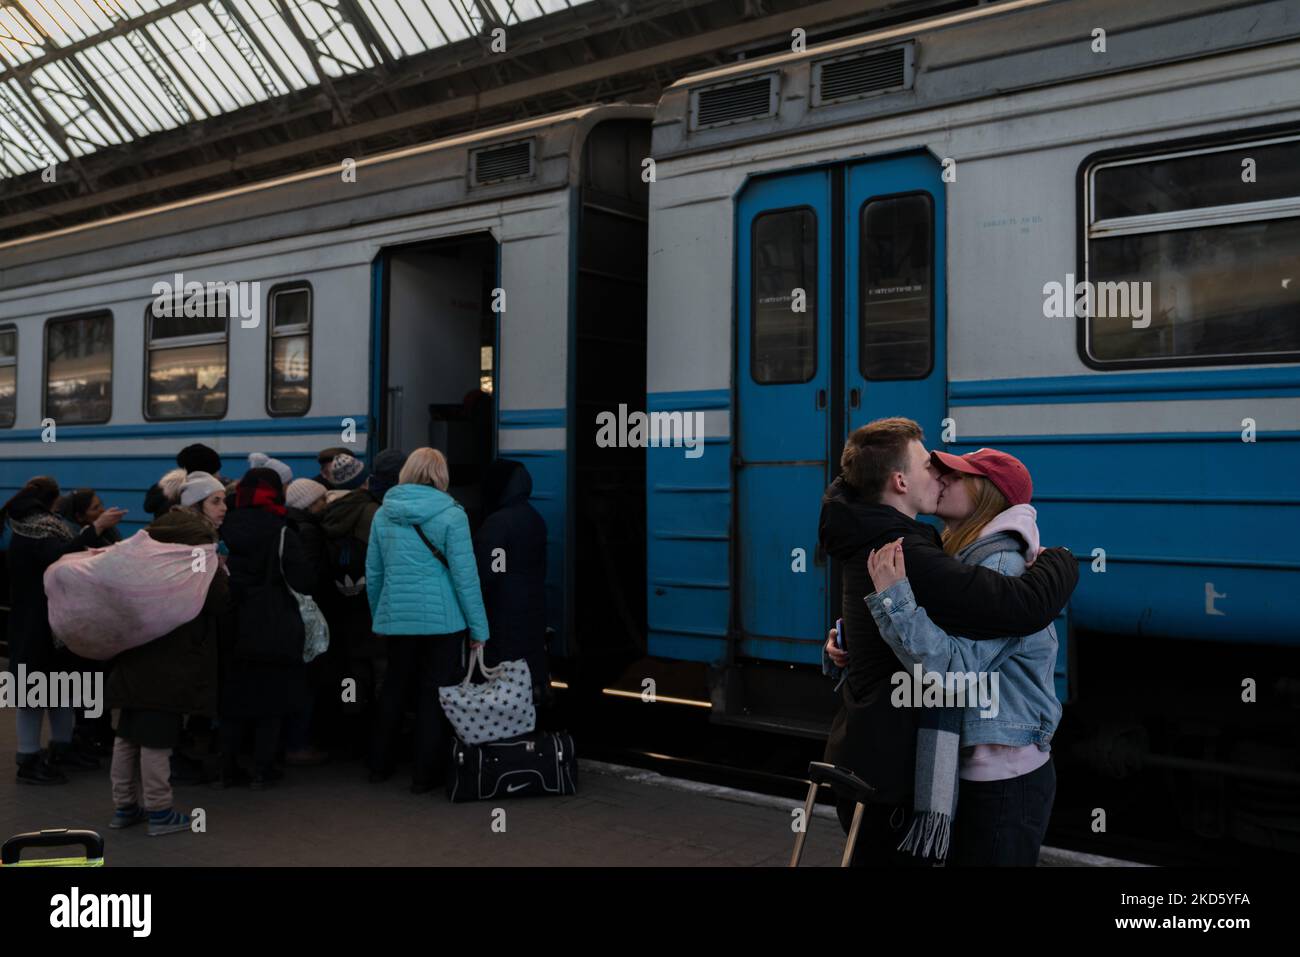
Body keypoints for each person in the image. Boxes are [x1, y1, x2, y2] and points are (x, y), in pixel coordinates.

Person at [817, 418, 1077, 866]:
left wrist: (1062, 563)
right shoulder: (945, 551)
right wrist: (848, 637)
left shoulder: (998, 562)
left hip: (1003, 767)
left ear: (985, 494)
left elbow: (956, 673)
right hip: (975, 762)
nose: (940, 476)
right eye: (934, 468)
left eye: (955, 475)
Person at [105, 471, 229, 835]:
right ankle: (159, 812)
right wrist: (220, 572)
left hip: (137, 646)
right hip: (171, 654)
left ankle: (124, 806)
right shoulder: (199, 544)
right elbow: (218, 601)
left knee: (128, 733)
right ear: (196, 506)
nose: (224, 508)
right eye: (216, 501)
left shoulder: (151, 534)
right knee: (159, 734)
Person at [366, 447, 489, 792]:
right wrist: (479, 629)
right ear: (440, 474)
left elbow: (374, 573)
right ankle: (424, 776)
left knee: (393, 689)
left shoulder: (383, 513)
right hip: (443, 624)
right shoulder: (453, 515)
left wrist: (380, 616)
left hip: (397, 621)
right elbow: (466, 578)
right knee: (433, 694)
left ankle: (379, 766)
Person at [2, 477, 126, 784]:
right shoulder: (38, 530)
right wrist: (95, 531)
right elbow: (58, 556)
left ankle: (61, 747)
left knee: (61, 689)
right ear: (52, 501)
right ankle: (28, 760)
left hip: (47, 623)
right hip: (37, 624)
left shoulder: (33, 526)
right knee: (34, 694)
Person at [217, 467, 314, 789]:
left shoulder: (225, 524)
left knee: (232, 699)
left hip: (232, 622)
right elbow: (301, 579)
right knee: (271, 700)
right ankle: (264, 768)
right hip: (274, 623)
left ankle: (227, 767)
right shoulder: (282, 529)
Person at [318, 450, 402, 755]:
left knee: (350, 673)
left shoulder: (327, 510)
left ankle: (347, 730)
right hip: (369, 604)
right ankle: (373, 739)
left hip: (342, 603)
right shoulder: (371, 513)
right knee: (378, 672)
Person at [473, 459, 548, 702]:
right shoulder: (535, 517)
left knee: (503, 669)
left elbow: (492, 570)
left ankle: (504, 726)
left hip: (503, 610)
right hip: (531, 604)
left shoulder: (498, 522)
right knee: (526, 665)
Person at [282, 478, 330, 766]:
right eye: (322, 500)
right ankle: (298, 743)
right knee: (307, 680)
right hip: (307, 615)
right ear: (310, 504)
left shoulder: (289, 524)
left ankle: (291, 740)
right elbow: (310, 577)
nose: (325, 505)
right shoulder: (310, 531)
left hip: (291, 614)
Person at [142, 444, 222, 518]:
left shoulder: (162, 488)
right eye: (216, 471)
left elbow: (148, 507)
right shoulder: (204, 494)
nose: (219, 476)